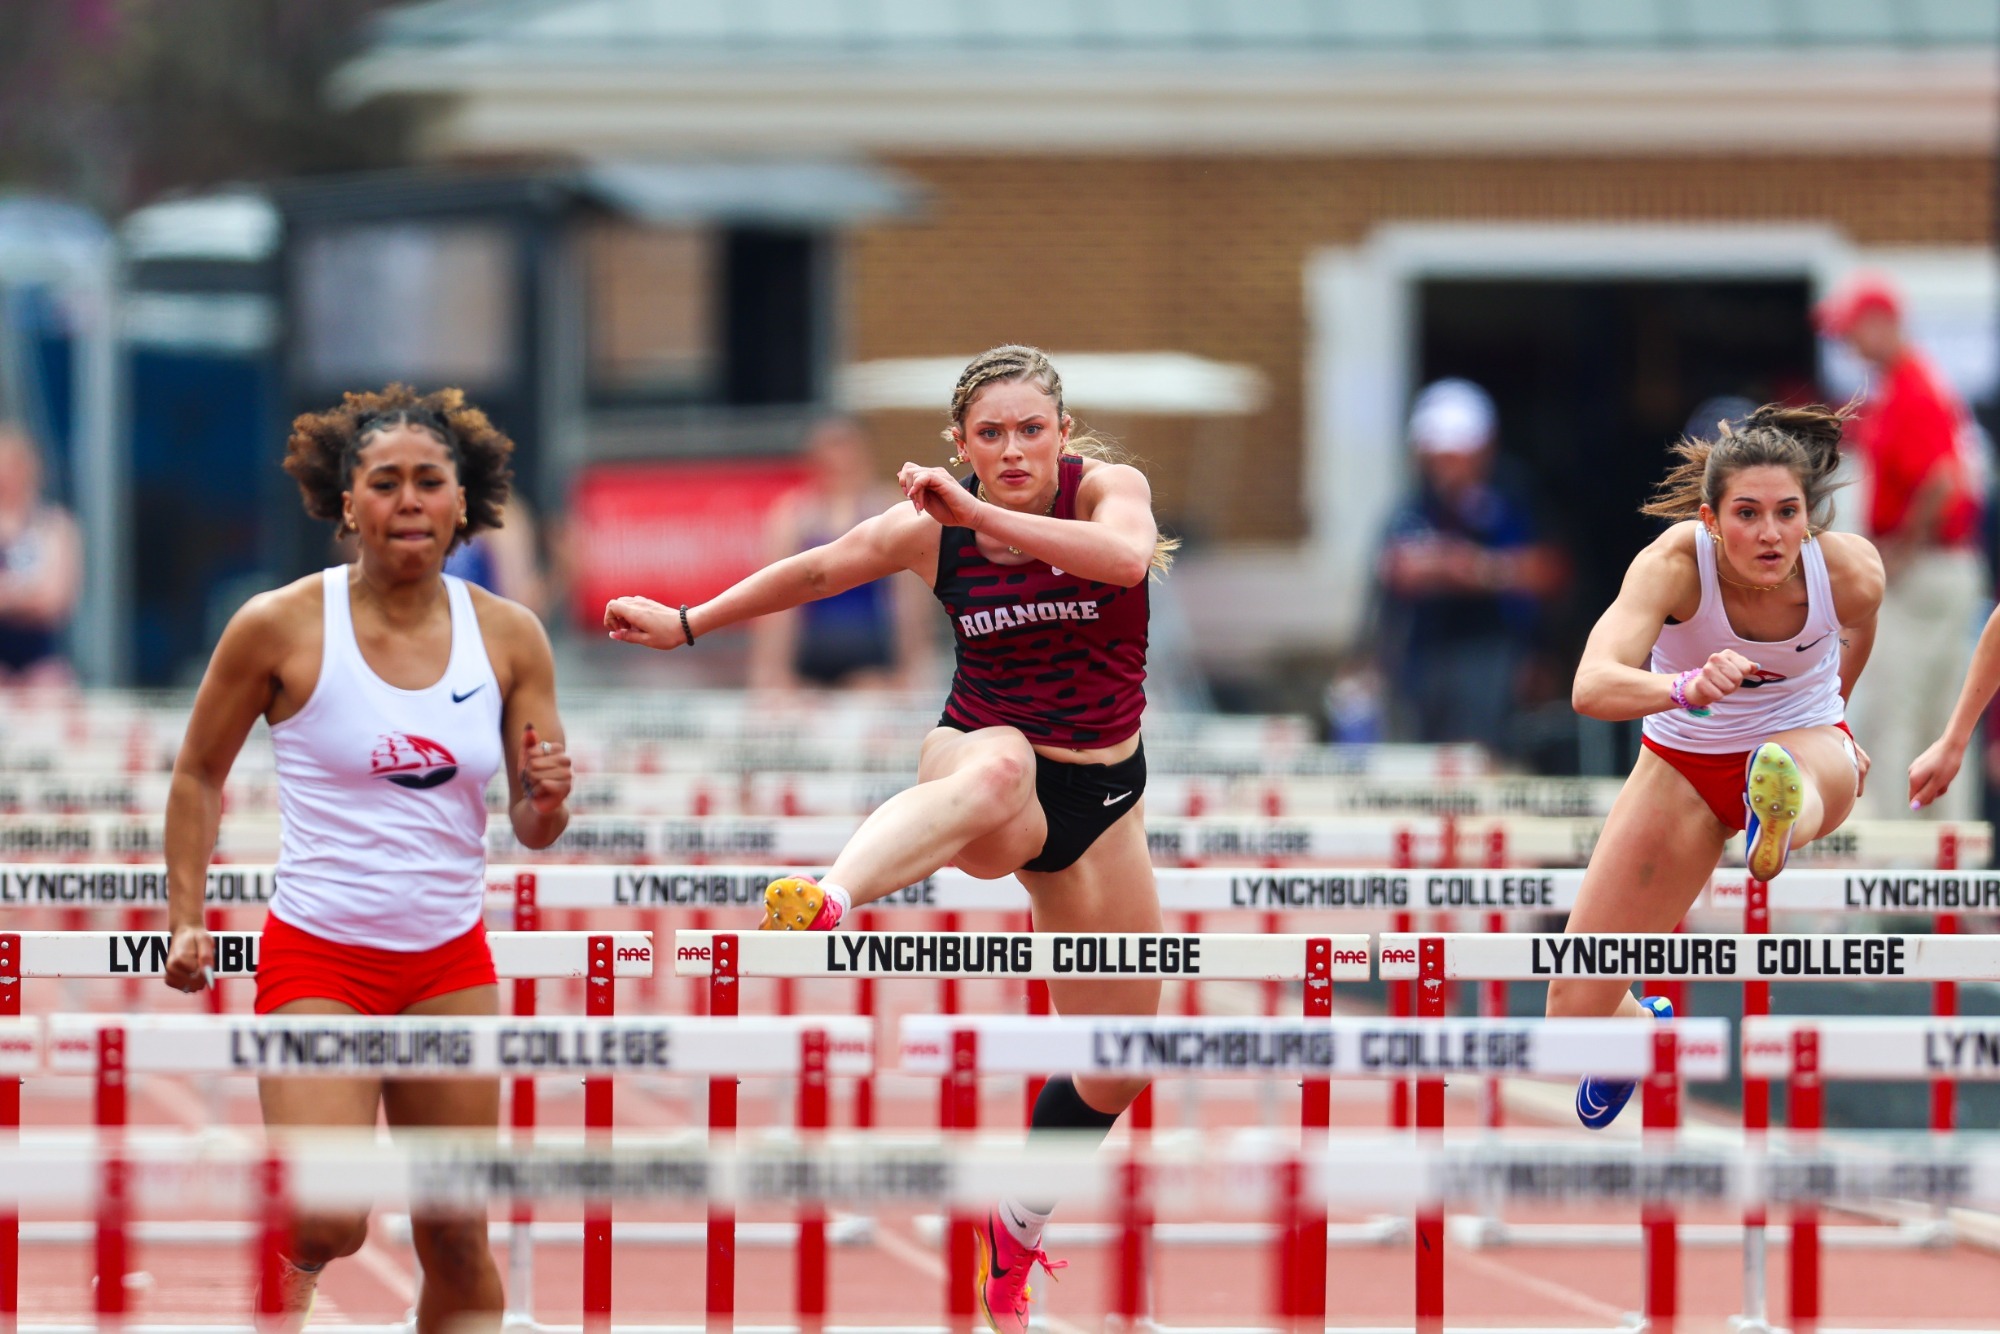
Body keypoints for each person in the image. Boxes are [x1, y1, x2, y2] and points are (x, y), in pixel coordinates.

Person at [604, 345, 1172, 1334]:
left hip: (1107, 794)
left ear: (1061, 435)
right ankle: (831, 893)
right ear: (958, 442)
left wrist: (978, 513)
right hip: (982, 772)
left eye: (1028, 430)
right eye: (987, 435)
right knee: (1000, 767)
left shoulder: (1105, 491)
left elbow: (1124, 562)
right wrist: (689, 621)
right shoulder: (927, 529)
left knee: (1118, 1054)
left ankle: (1014, 1223)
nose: (1009, 449)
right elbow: (820, 566)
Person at [161, 385, 574, 1332]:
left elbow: (534, 823)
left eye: (431, 482)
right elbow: (196, 775)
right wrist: (187, 913)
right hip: (320, 960)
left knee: (459, 1234)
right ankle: (279, 1286)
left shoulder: (509, 637)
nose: (409, 501)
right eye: (384, 483)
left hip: (448, 966)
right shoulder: (280, 625)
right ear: (346, 503)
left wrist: (546, 799)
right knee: (328, 1211)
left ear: (462, 501)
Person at [1554, 403, 1880, 1128]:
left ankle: (1781, 814)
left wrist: (1838, 717)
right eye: (1748, 514)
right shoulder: (1673, 565)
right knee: (1573, 1007)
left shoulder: (1850, 571)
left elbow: (1855, 633)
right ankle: (1641, 1029)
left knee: (1795, 765)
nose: (1770, 534)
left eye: (1788, 513)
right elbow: (1591, 684)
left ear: (1810, 518)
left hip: (1801, 743)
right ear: (1710, 520)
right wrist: (1683, 686)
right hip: (1684, 766)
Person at [1817, 275, 1987, 820]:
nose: (1846, 343)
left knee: (1894, 715)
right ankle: (1942, 864)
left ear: (1880, 323)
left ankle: (1896, 868)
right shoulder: (1910, 384)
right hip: (1942, 569)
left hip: (1925, 573)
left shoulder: (1912, 385)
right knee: (1937, 719)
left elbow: (1943, 480)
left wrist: (1899, 552)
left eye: (1851, 330)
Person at [1377, 379, 1565, 752]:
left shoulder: (1515, 495)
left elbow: (1550, 571)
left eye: (1455, 456)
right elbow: (1391, 570)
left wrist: (1475, 569)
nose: (1446, 469)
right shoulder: (1415, 504)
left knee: (1486, 757)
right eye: (1436, 457)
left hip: (1494, 658)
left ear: (1482, 449)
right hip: (1426, 660)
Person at [748, 418, 933, 692]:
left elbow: (908, 602)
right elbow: (776, 606)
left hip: (873, 658)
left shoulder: (888, 509)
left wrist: (912, 670)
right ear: (814, 459)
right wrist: (770, 674)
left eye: (847, 450)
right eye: (831, 452)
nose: (840, 460)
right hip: (809, 658)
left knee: (870, 697)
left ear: (864, 454)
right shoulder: (793, 517)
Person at [0, 425, 81, 684]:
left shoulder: (53, 526)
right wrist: (27, 591)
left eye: (13, 466)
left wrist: (9, 596)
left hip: (39, 661)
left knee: (50, 690)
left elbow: (53, 601)